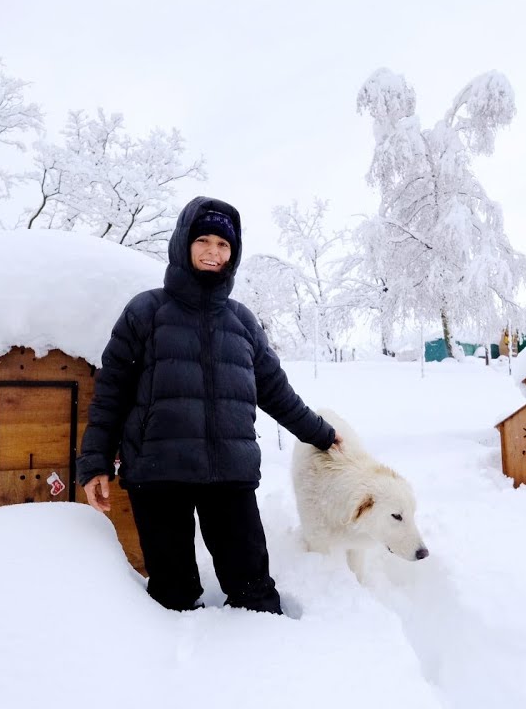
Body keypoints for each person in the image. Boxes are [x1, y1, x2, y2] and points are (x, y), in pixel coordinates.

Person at [76, 195, 339, 615]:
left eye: (224, 245)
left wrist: (322, 434)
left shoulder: (242, 321)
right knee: (172, 593)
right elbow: (112, 392)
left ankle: (275, 667)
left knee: (253, 589)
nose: (214, 252)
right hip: (158, 472)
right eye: (204, 240)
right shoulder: (146, 312)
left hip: (229, 472)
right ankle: (171, 668)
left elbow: (275, 391)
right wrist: (94, 463)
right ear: (183, 244)